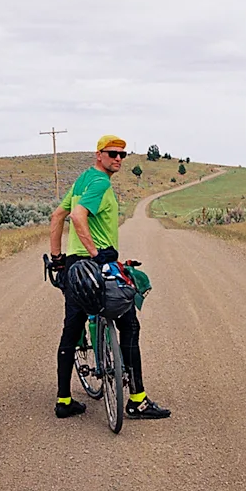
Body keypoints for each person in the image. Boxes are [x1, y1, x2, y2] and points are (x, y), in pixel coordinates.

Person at [48, 134, 171, 420]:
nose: (118, 159)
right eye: (112, 153)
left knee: (71, 329)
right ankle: (137, 400)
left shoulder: (83, 180)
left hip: (74, 268)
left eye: (122, 155)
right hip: (97, 264)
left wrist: (57, 261)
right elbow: (77, 216)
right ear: (99, 155)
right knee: (129, 323)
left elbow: (57, 217)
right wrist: (95, 253)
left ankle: (63, 400)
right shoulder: (101, 182)